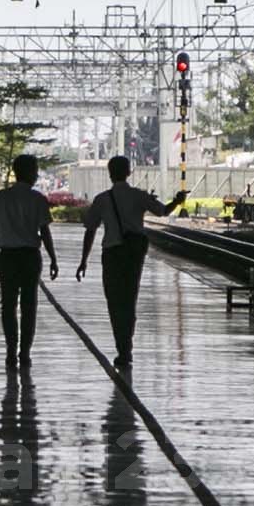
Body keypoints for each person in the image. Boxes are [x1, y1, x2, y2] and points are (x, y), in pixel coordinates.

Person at [75, 155, 187, 368]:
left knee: (114, 301)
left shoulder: (102, 199)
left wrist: (83, 260)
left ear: (109, 173)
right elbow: (163, 211)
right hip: (134, 255)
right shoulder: (138, 196)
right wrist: (178, 200)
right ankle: (127, 348)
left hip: (111, 254)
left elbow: (90, 229)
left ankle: (122, 347)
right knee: (129, 298)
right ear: (129, 172)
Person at [0, 152, 58, 366]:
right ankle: (24, 352)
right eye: (35, 171)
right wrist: (53, 258)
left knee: (8, 306)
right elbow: (44, 232)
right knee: (29, 306)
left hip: (7, 256)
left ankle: (10, 351)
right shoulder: (37, 199)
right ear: (30, 173)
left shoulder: (1, 197)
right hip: (29, 257)